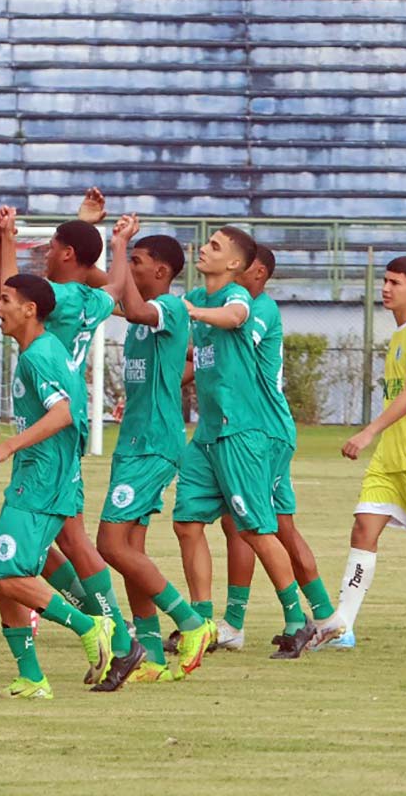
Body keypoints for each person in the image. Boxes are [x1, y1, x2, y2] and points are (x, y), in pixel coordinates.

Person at [0, 198, 139, 685]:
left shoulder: (53, 315)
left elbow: (8, 290)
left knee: (12, 569)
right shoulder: (89, 302)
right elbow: (112, 288)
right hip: (53, 450)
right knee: (63, 545)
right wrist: (113, 242)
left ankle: (108, 633)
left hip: (46, 454)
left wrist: (7, 240)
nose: (44, 253)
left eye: (52, 247)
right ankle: (95, 647)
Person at [172, 227, 312, 658]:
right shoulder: (198, 295)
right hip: (208, 435)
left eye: (215, 246)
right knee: (186, 524)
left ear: (234, 263)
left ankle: (296, 619)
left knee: (255, 529)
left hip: (242, 433)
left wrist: (191, 312)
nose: (204, 249)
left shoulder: (238, 297)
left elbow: (234, 318)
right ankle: (201, 622)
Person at [0, 273, 116, 699]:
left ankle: (91, 625)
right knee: (8, 574)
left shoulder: (39, 356)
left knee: (1, 573)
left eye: (5, 300)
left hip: (41, 480)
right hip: (40, 477)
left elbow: (63, 414)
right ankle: (32, 677)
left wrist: (8, 446)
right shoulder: (43, 349)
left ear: (30, 309)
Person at [314, 256, 406, 649]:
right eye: (384, 280)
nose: (385, 288)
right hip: (391, 457)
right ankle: (343, 626)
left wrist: (367, 433)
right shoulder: (398, 335)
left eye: (394, 282)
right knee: (364, 527)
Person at [92, 216, 214, 683]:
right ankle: (151, 655)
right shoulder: (146, 310)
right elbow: (114, 295)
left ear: (161, 272)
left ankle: (191, 623)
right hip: (134, 443)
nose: (129, 269)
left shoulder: (171, 308)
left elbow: (137, 309)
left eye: (137, 262)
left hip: (155, 445)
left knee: (109, 543)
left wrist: (118, 243)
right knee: (131, 550)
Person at [213, 245, 335, 656]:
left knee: (254, 528)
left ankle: (290, 620)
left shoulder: (259, 309)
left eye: (237, 266)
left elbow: (234, 347)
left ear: (259, 272)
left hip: (261, 431)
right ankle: (325, 617)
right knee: (266, 526)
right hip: (264, 430)